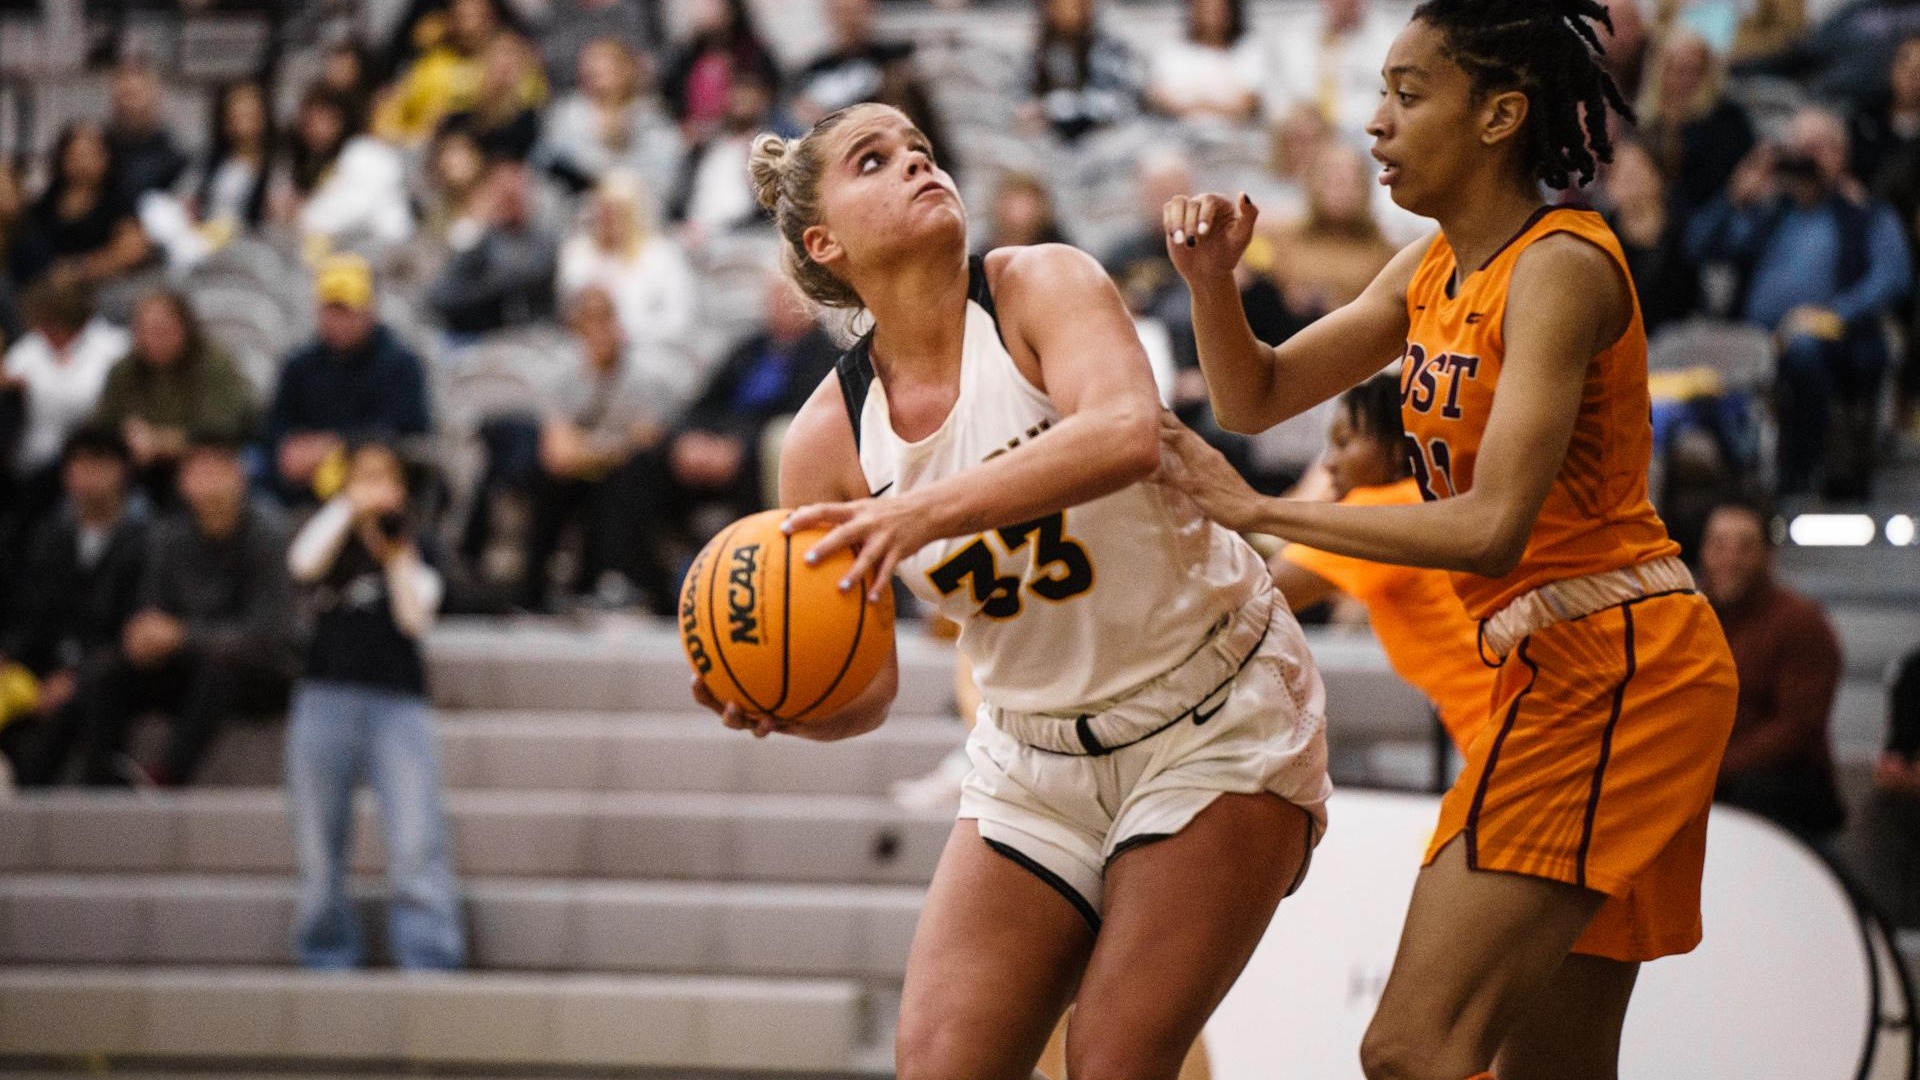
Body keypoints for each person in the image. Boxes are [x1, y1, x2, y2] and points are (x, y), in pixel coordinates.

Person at [1154, 3, 1739, 1077]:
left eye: (1408, 94)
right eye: (1379, 92)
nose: (1374, 123)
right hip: (1558, 667)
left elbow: (1491, 527)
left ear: (1500, 115)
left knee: (1413, 1048)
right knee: (1545, 1069)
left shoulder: (1560, 265)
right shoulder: (1427, 269)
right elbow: (1255, 393)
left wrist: (1263, 511)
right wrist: (1211, 287)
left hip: (1619, 663)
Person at [700, 103, 1330, 1080]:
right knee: (940, 1065)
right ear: (825, 242)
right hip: (1031, 756)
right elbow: (866, 692)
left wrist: (921, 513)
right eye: (876, 160)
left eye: (921, 148)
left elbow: (1124, 434)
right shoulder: (825, 442)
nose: (916, 164)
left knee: (1114, 1057)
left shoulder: (1042, 285)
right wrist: (780, 705)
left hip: (1213, 711)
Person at [284, 440, 465, 970]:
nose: (376, 487)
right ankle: (325, 956)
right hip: (323, 695)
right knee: (318, 848)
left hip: (397, 703)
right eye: (364, 476)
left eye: (385, 477)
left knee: (416, 842)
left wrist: (397, 555)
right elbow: (301, 564)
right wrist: (347, 509)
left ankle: (429, 959)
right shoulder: (330, 535)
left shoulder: (414, 544)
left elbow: (415, 617)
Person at [1686, 107, 1913, 498]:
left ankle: (1803, 475)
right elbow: (1697, 247)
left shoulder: (1865, 214)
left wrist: (1834, 314)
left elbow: (1893, 277)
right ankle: (1725, 486)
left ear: (1841, 154)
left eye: (1820, 147)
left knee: (1805, 349)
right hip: (1753, 336)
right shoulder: (1769, 211)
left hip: (1831, 337)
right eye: (1800, 147)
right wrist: (1735, 196)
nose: (1807, 158)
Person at [1270, 376, 1496, 752]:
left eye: (1343, 443)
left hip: (1505, 725)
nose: (1327, 463)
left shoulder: (1386, 508)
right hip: (1502, 720)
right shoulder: (1425, 501)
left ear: (1395, 450)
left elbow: (1254, 593)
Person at [74, 435, 295, 787]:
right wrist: (143, 635)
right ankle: (101, 784)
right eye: (197, 472)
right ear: (181, 482)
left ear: (239, 478)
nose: (206, 483)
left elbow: (271, 633)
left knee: (220, 670)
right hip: (187, 663)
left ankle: (167, 779)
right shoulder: (168, 535)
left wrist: (182, 635)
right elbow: (151, 605)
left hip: (257, 672)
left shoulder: (265, 535)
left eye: (215, 471)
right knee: (106, 673)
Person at [0, 428, 147, 786]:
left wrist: (77, 677)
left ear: (123, 471)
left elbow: (135, 627)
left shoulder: (148, 538)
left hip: (113, 670)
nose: (89, 476)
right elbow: (32, 615)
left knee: (85, 702)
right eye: (80, 464)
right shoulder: (47, 536)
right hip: (46, 667)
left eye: (100, 464)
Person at [1697, 500, 1847, 845]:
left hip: (1784, 782)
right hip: (1706, 774)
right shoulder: (1687, 620)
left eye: (1744, 547)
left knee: (1754, 789)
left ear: (1768, 555)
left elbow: (1796, 728)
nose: (1729, 559)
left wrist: (1712, 771)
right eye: (1719, 545)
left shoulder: (1801, 623)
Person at [518, 287, 676, 613]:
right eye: (589, 321)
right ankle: (533, 591)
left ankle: (624, 585)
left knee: (632, 475)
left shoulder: (647, 381)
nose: (599, 330)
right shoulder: (563, 381)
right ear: (578, 328)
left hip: (626, 479)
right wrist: (609, 447)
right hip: (578, 477)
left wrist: (586, 447)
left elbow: (647, 441)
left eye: (606, 319)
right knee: (543, 478)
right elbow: (557, 452)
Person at [267, 255, 433, 504]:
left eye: (348, 311)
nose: (339, 322)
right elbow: (275, 422)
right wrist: (288, 448)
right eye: (331, 310)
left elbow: (407, 429)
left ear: (370, 309)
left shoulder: (400, 363)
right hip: (301, 485)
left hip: (375, 485)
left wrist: (334, 446)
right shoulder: (300, 364)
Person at [92, 290, 255, 504]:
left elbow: (220, 432)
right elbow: (103, 427)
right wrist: (127, 435)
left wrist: (161, 442)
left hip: (206, 464)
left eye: (161, 331)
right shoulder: (123, 371)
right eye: (143, 331)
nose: (151, 340)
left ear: (184, 329)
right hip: (139, 469)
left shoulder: (214, 366)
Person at [1, 280, 132, 532]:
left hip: (88, 456)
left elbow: (89, 401)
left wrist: (34, 384)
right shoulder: (31, 348)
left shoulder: (114, 347)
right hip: (26, 464)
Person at [10, 121, 151, 292]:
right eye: (75, 155)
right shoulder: (46, 202)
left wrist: (79, 270)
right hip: (43, 286)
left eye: (90, 155)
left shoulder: (118, 203)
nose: (82, 164)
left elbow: (131, 251)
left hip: (100, 288)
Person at [425, 160, 558, 337]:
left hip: (532, 335)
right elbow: (442, 296)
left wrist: (491, 282)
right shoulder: (477, 239)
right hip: (477, 335)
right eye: (505, 195)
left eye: (517, 194)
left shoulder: (543, 241)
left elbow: (530, 275)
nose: (512, 201)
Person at [1023, 0, 1143, 144]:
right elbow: (1024, 94)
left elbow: (1112, 104)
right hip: (1052, 137)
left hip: (1106, 135)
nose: (1065, 11)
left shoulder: (1107, 46)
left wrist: (1051, 107)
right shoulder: (1044, 47)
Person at [1145, 0, 1263, 126]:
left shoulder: (1249, 51)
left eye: (1218, 9)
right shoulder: (1170, 52)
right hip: (1173, 136)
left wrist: (1193, 106)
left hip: (1236, 137)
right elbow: (1157, 99)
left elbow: (1248, 104)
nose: (1211, 15)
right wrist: (1218, 105)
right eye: (1205, 8)